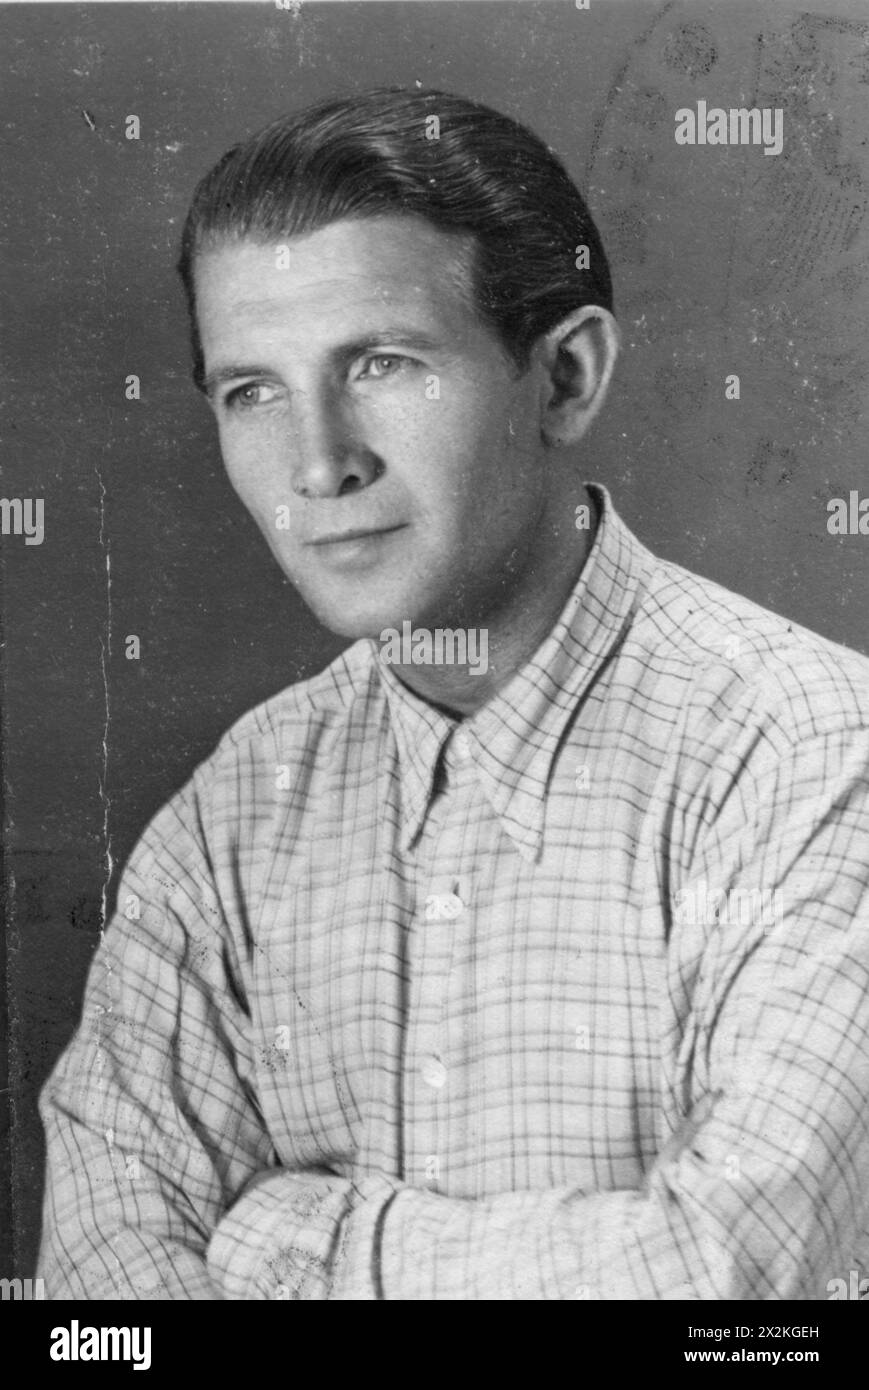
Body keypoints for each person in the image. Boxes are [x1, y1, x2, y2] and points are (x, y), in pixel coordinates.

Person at [38, 87, 869, 1300]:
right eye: (251, 392)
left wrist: (285, 1243)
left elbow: (733, 1292)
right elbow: (91, 1325)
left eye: (381, 362)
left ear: (565, 377)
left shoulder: (814, 757)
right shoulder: (224, 825)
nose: (318, 464)